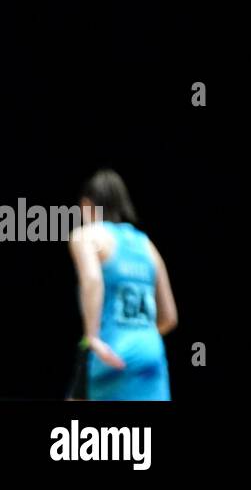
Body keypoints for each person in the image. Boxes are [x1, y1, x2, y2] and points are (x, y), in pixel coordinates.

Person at [67, 168, 177, 400]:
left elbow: (93, 279)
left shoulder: (87, 235)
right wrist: (139, 338)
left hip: (109, 351)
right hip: (150, 353)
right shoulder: (147, 245)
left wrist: (93, 336)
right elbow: (169, 317)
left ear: (87, 206)